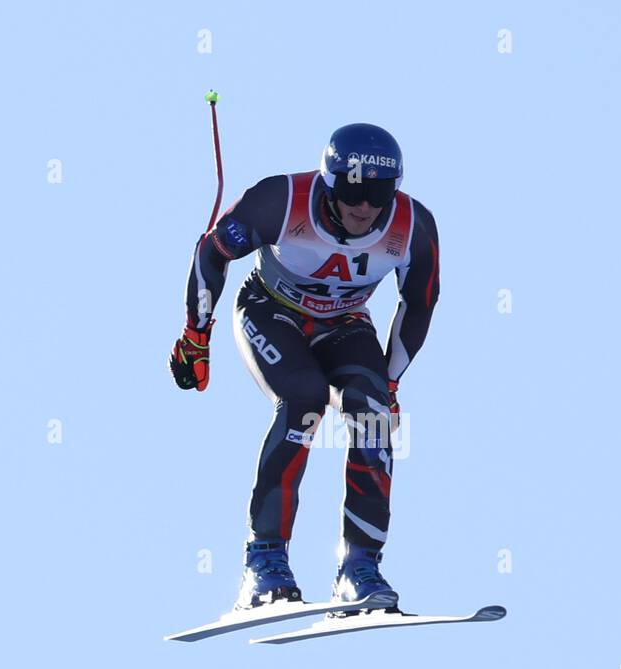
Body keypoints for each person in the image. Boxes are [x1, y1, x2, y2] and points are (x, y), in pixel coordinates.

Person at [172, 123, 440, 611]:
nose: (364, 207)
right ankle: (264, 564)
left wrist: (391, 382)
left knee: (373, 414)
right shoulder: (281, 200)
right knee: (303, 399)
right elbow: (213, 251)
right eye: (351, 191)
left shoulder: (412, 226)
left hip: (345, 323)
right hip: (269, 309)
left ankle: (359, 568)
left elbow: (419, 303)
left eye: (378, 193)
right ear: (329, 181)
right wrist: (197, 334)